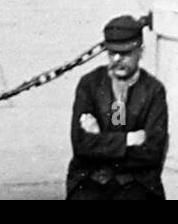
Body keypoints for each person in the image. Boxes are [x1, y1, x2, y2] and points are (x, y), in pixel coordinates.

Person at [66, 15, 169, 201]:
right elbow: (80, 144)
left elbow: (152, 152)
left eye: (125, 53)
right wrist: (129, 139)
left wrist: (100, 141)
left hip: (136, 182)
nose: (117, 59)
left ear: (140, 52)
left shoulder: (154, 91)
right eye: (112, 53)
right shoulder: (89, 85)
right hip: (90, 179)